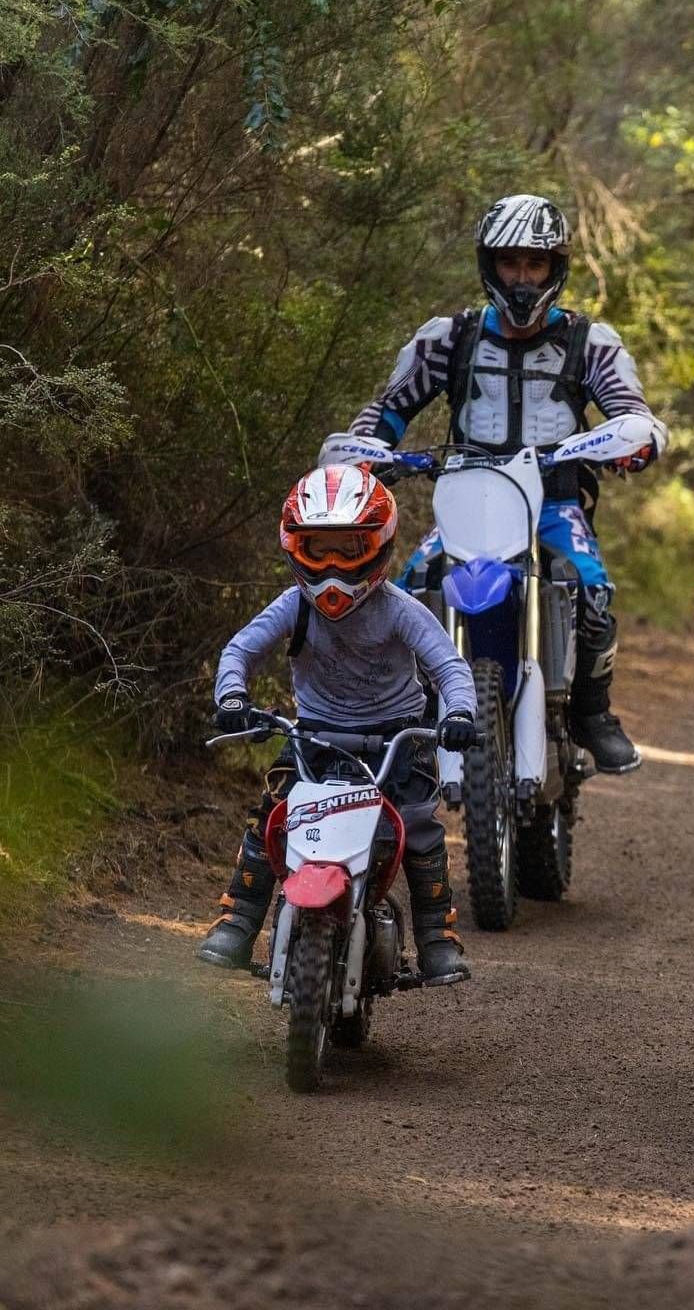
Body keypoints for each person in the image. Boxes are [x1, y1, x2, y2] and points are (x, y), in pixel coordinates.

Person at [325, 194, 668, 774]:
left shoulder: (590, 342)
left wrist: (634, 444)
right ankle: (396, 714)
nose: (522, 278)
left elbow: (633, 414)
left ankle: (592, 713)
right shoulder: (448, 338)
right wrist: (367, 455)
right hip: (467, 502)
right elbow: (388, 409)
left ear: (556, 267)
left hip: (553, 503)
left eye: (536, 263)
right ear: (490, 265)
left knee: (592, 590)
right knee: (405, 591)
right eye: (510, 263)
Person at [196, 465, 479, 986]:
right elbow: (239, 651)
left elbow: (450, 668)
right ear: (294, 546)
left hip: (396, 740)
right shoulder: (294, 606)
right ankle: (236, 922)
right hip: (313, 737)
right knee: (271, 819)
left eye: (347, 549)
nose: (331, 566)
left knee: (417, 825)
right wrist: (232, 698)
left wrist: (458, 713)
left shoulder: (399, 609)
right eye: (317, 549)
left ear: (377, 546)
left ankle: (438, 937)